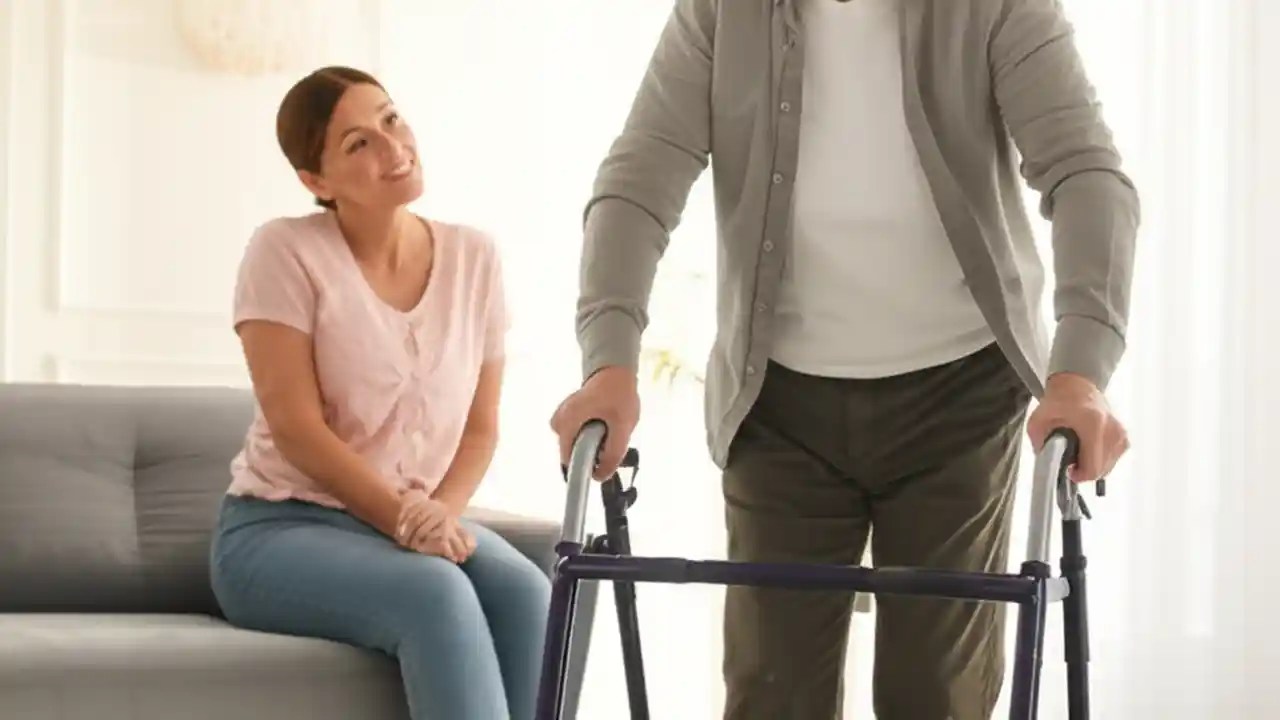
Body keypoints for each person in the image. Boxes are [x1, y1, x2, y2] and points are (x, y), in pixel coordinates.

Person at [550, 1, 1137, 719]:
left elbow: (1084, 173)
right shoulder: (720, 13)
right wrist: (609, 365)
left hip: (959, 397)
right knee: (771, 694)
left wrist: (1079, 374)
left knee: (935, 696)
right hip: (779, 402)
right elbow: (639, 183)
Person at [209, 66, 551, 720]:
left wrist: (441, 514)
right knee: (435, 593)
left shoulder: (475, 257)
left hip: (407, 526)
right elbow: (296, 429)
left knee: (529, 592)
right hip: (278, 532)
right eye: (358, 143)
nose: (394, 148)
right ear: (317, 182)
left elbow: (482, 427)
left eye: (391, 120)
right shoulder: (283, 251)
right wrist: (403, 519)